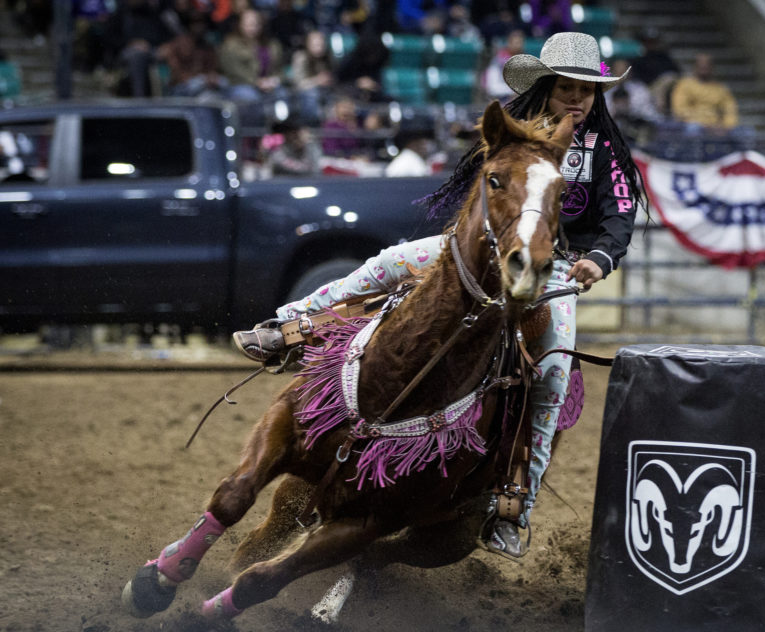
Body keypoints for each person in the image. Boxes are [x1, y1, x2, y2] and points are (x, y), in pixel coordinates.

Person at [232, 32, 647, 559]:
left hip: (555, 266)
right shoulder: (515, 136)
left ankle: (516, 497)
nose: (577, 99)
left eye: (586, 91)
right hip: (477, 250)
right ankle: (289, 325)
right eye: (566, 88)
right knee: (386, 263)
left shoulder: (606, 149)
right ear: (546, 87)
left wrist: (596, 258)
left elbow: (618, 216)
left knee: (554, 374)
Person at [669, 52, 739, 133]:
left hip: (718, 127)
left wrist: (726, 126)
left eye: (707, 65)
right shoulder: (684, 85)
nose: (704, 67)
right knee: (693, 129)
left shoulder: (721, 89)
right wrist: (706, 125)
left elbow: (730, 110)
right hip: (693, 125)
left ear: (712, 67)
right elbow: (680, 110)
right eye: (701, 65)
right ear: (695, 67)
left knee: (746, 133)